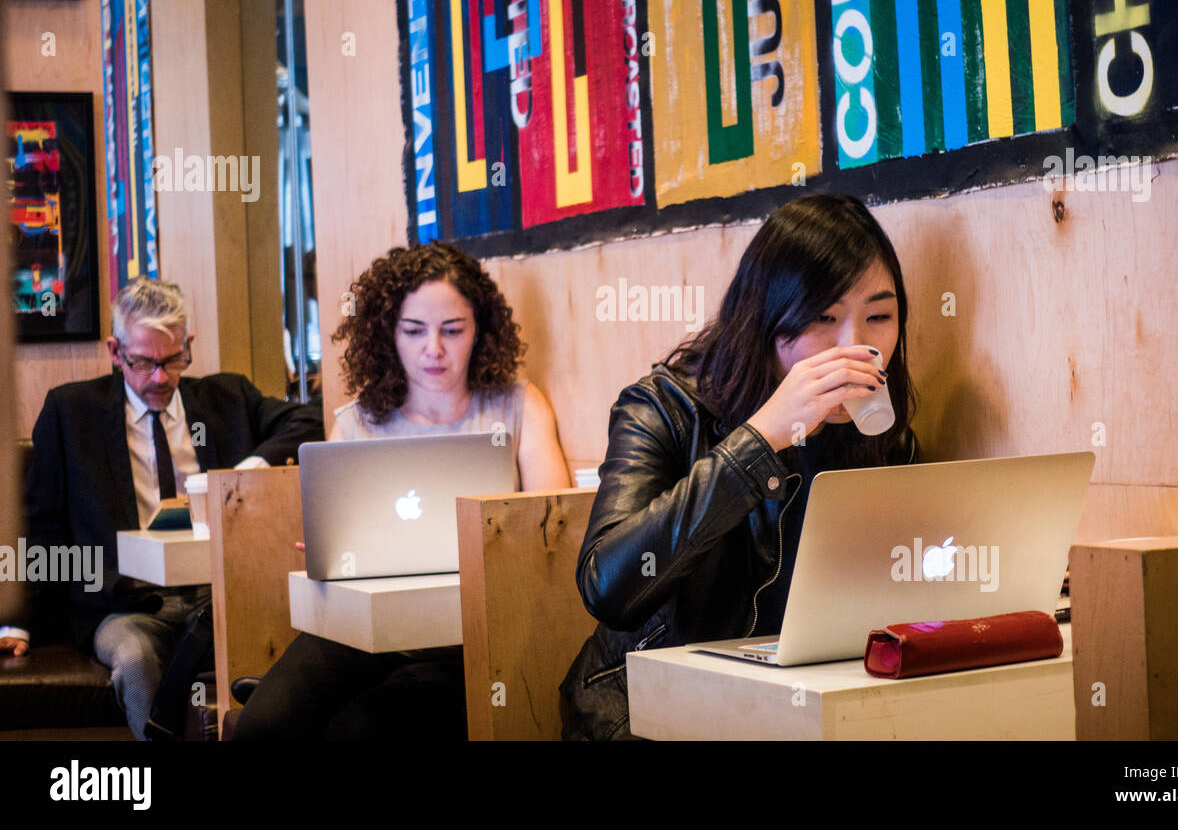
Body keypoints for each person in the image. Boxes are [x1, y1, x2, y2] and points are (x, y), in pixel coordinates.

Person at [560, 194, 923, 739]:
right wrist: (762, 438)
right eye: (822, 318)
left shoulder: (882, 439)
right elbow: (607, 587)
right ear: (765, 320)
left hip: (792, 707)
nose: (856, 346)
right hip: (644, 710)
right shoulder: (663, 407)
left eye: (879, 316)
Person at [233, 242, 570, 740]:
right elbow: (331, 550)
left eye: (453, 330)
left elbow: (554, 529)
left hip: (473, 635)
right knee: (261, 726)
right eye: (414, 331)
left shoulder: (517, 406)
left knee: (359, 728)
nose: (434, 349)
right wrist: (329, 550)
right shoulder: (356, 423)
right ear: (387, 334)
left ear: (480, 330)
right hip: (362, 633)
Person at [0, 277, 325, 739]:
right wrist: (18, 621)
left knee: (284, 647)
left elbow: (309, 418)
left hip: (218, 595)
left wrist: (246, 469)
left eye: (173, 360)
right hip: (124, 604)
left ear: (188, 344)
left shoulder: (226, 398)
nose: (160, 377)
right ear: (116, 352)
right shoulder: (72, 412)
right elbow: (40, 526)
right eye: (144, 363)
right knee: (135, 661)